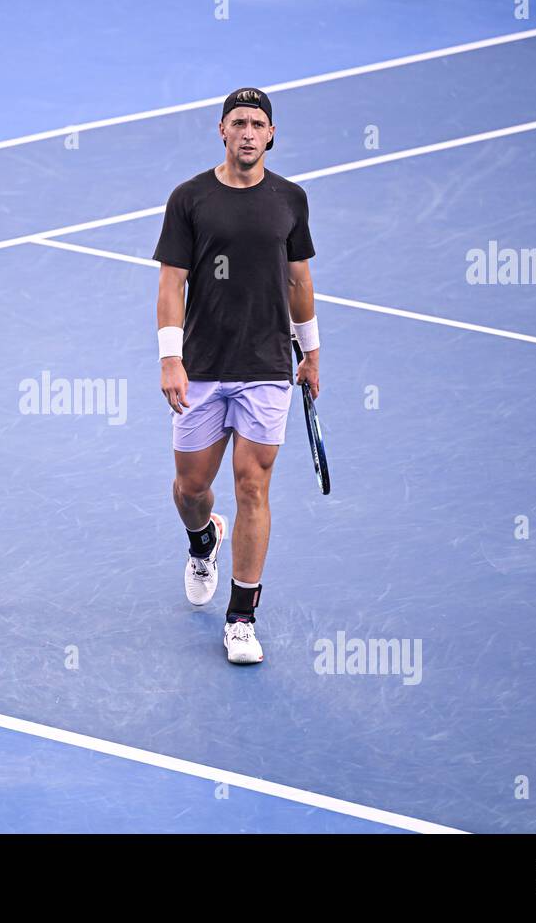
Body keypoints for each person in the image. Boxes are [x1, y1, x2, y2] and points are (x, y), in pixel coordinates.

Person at [153, 88, 320, 664]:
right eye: (239, 123)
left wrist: (311, 350)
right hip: (201, 366)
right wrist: (170, 358)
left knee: (254, 485)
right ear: (220, 131)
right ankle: (204, 540)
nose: (248, 133)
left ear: (271, 135)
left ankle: (242, 615)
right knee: (191, 488)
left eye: (258, 124)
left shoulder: (291, 200)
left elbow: (298, 281)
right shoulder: (190, 198)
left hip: (267, 366)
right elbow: (172, 283)